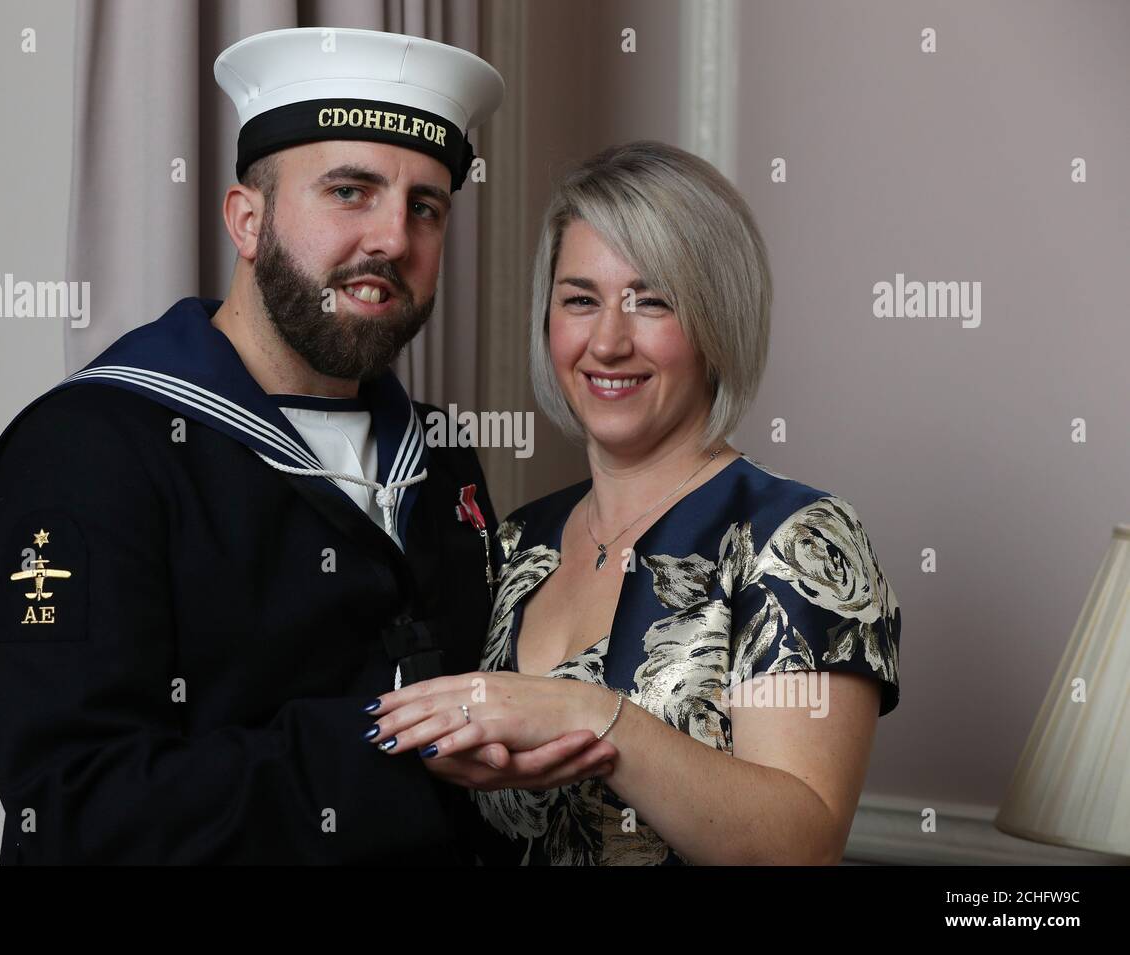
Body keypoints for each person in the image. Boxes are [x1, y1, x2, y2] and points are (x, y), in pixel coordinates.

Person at [0, 27, 615, 865]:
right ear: (248, 218)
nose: (390, 239)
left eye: (425, 206)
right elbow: (78, 811)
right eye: (349, 191)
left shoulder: (444, 457)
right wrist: (394, 742)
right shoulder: (85, 453)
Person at [363, 141, 903, 865]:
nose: (608, 341)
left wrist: (596, 718)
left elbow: (798, 846)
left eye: (651, 300)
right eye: (580, 299)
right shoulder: (515, 542)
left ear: (717, 320)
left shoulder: (796, 538)